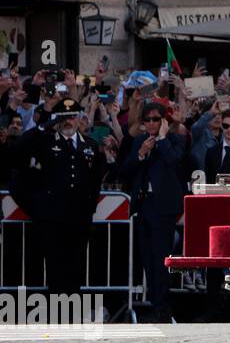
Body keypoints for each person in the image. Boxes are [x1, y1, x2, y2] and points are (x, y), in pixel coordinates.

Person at [17, 97, 105, 304]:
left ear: (79, 119)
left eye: (72, 117)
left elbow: (95, 183)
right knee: (55, 265)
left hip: (79, 217)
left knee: (76, 265)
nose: (69, 121)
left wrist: (89, 211)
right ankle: (58, 311)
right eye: (64, 117)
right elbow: (20, 149)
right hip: (52, 217)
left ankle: (72, 310)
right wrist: (45, 123)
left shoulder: (89, 146)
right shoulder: (45, 142)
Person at [121, 102, 187, 323]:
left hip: (164, 208)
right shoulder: (140, 141)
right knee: (148, 258)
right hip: (143, 205)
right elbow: (126, 171)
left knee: (161, 258)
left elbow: (174, 160)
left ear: (163, 121)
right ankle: (154, 303)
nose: (151, 124)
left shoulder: (174, 139)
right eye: (147, 120)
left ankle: (163, 305)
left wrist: (162, 139)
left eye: (155, 119)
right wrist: (141, 154)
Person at [203, 113, 230, 183]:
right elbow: (209, 180)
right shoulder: (211, 152)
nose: (229, 129)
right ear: (221, 126)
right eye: (226, 126)